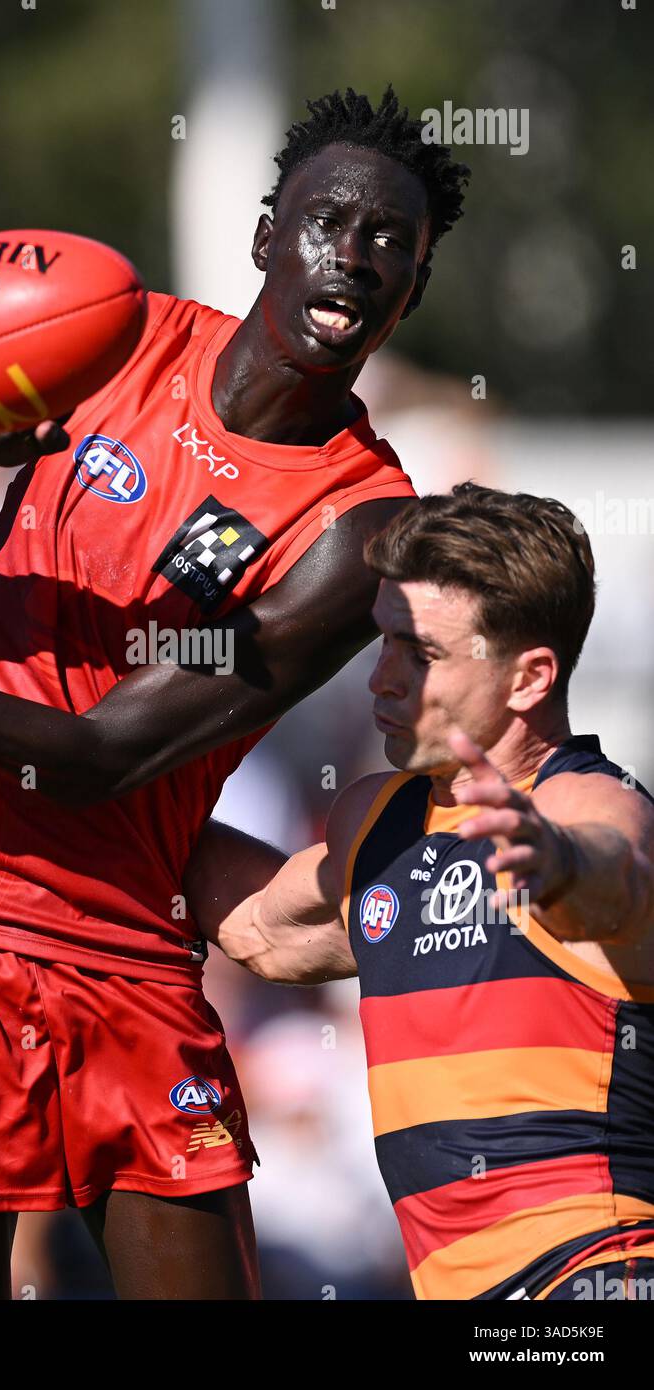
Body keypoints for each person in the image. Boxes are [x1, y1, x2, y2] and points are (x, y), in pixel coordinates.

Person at [0, 87, 470, 1300]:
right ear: (265, 235)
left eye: (392, 241)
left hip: (124, 947)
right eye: (327, 220)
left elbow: (98, 754)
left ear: (414, 291)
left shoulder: (359, 527)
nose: (356, 253)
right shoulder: (106, 338)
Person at [184, 483, 654, 1301]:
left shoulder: (583, 805)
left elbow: (613, 876)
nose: (381, 680)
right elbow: (260, 930)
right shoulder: (380, 821)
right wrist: (90, 786)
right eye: (383, 644)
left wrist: (553, 860)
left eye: (422, 654)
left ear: (528, 678)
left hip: (592, 1273)